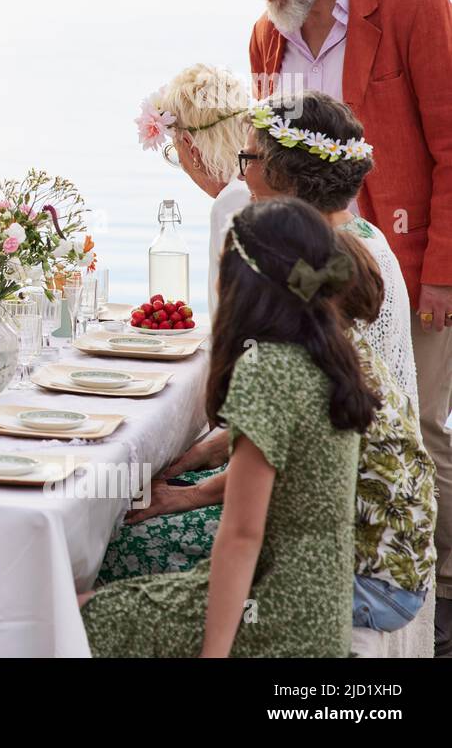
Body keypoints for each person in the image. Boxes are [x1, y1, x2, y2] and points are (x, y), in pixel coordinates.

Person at [103, 95, 437, 654]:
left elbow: (306, 444)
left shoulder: (313, 272)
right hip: (381, 527)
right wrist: (200, 458)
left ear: (284, 173)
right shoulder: (352, 249)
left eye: (249, 157)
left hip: (353, 543)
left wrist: (188, 495)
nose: (241, 172)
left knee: (122, 545)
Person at [212, 0, 452, 651]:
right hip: (312, 289)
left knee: (413, 425)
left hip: (405, 271)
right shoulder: (267, 36)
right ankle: (353, 569)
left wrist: (444, 271)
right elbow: (270, 165)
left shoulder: (414, 4)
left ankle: (435, 597)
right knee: (334, 426)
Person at [81, 198, 378, 657]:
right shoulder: (326, 354)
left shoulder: (267, 371)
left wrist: (213, 654)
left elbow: (242, 534)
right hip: (319, 608)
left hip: (275, 614)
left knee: (63, 616)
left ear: (246, 281)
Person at [135, 64, 250, 315]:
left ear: (190, 147)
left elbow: (229, 317)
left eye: (176, 150)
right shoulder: (259, 181)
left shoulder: (233, 201)